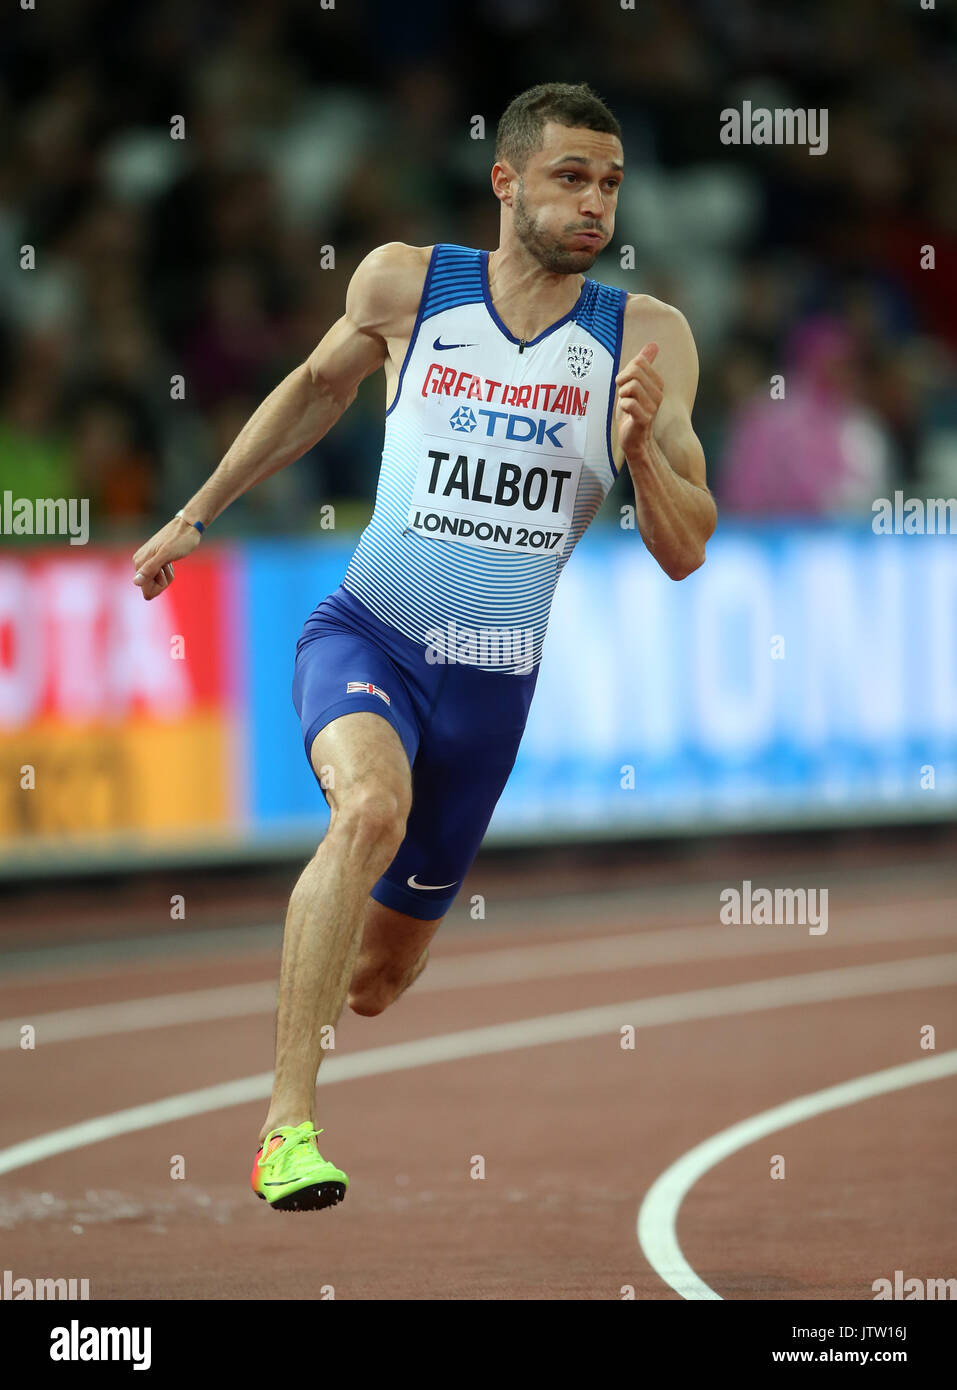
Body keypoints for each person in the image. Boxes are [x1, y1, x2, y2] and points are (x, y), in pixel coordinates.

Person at [131, 82, 716, 1213]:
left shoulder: (646, 339)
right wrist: (194, 514)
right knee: (367, 809)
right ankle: (285, 1128)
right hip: (370, 633)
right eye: (569, 177)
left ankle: (331, 966)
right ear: (507, 181)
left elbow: (687, 548)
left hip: (490, 692)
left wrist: (643, 454)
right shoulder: (409, 282)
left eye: (609, 183)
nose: (595, 203)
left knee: (380, 982)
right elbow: (312, 391)